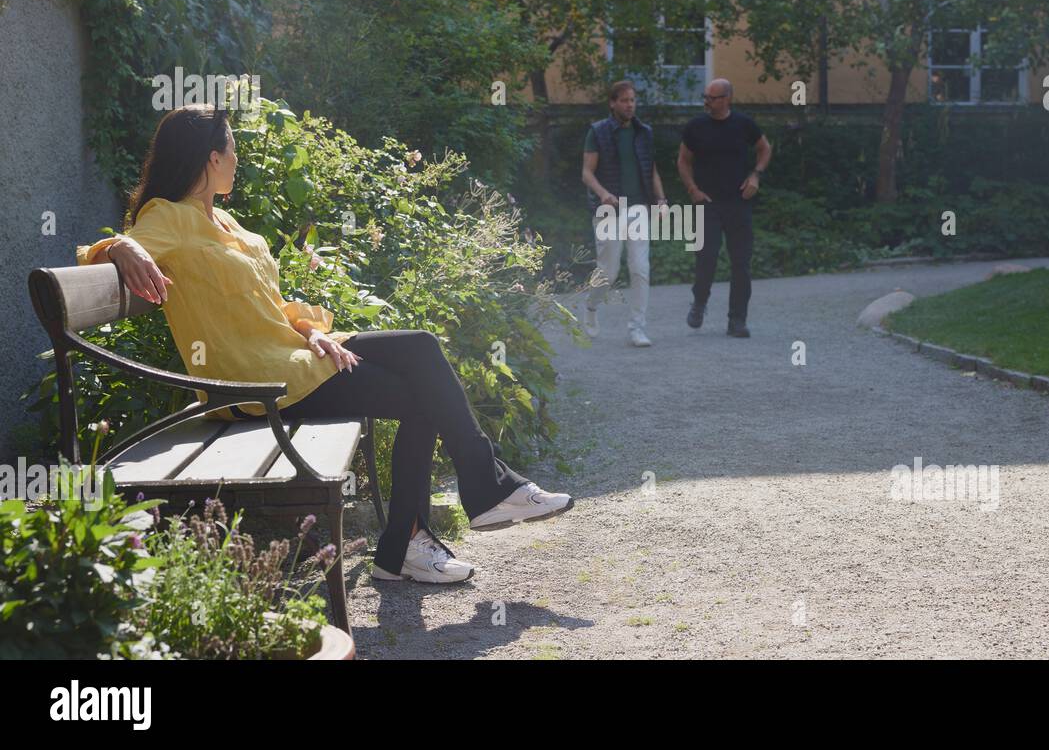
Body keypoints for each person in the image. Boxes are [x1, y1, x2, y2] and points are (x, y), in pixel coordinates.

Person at [77, 103, 572, 585]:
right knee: (422, 391)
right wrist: (121, 245)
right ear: (211, 157)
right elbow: (96, 256)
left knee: (420, 348)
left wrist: (312, 329)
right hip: (255, 382)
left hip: (293, 355)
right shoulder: (168, 217)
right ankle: (436, 524)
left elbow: (266, 304)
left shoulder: (224, 223)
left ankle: (444, 518)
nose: (237, 160)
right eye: (232, 150)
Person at [677, 78, 772, 337]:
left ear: (727, 98)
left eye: (712, 97)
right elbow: (683, 161)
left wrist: (755, 176)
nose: (707, 101)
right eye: (705, 96)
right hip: (706, 204)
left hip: (738, 203)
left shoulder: (744, 125)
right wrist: (693, 190)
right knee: (705, 259)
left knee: (741, 263)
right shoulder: (696, 127)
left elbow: (765, 149)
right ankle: (699, 302)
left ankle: (737, 320)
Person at [579, 80, 667, 347]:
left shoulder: (644, 132)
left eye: (633, 100)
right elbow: (586, 173)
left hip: (639, 207)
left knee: (641, 268)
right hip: (608, 210)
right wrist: (603, 193)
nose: (630, 105)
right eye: (625, 100)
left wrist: (661, 200)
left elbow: (650, 170)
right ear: (612, 103)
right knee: (609, 272)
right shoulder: (598, 131)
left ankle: (637, 327)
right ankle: (591, 307)